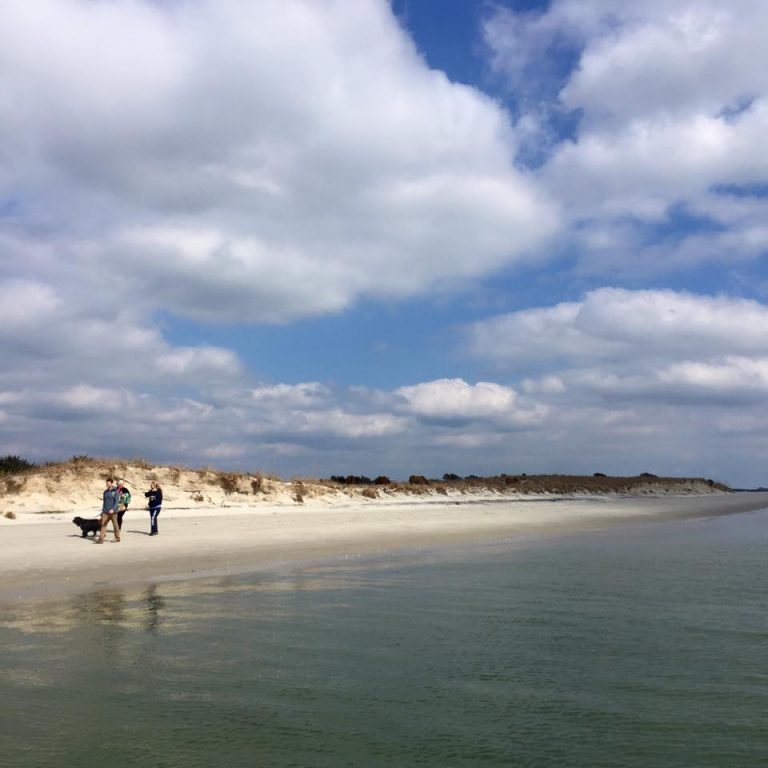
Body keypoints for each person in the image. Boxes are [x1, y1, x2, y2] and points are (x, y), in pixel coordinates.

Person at [97, 478, 120, 543]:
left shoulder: (115, 491)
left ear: (112, 483)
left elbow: (116, 502)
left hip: (113, 512)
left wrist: (113, 509)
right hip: (105, 512)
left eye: (108, 483)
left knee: (115, 525)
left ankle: (117, 538)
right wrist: (103, 511)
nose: (107, 484)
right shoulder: (105, 492)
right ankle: (101, 539)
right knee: (103, 525)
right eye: (106, 483)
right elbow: (104, 502)